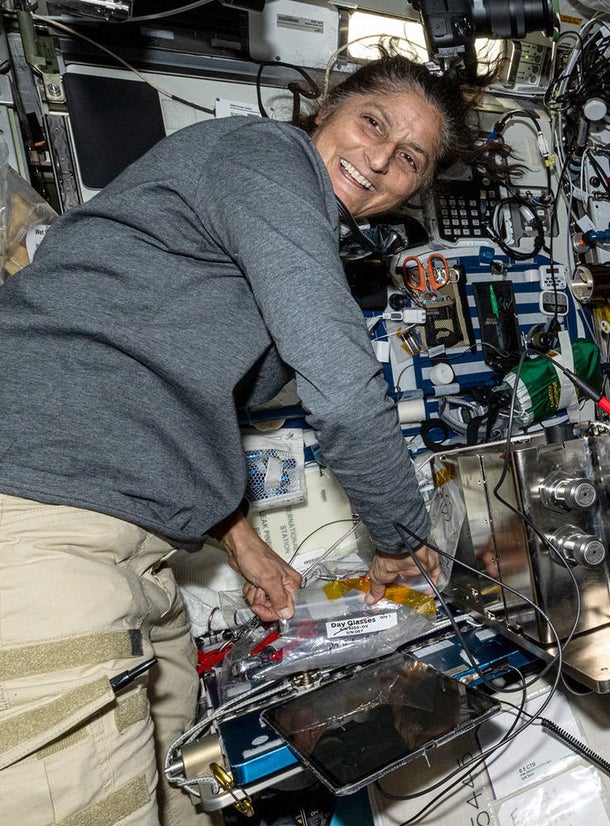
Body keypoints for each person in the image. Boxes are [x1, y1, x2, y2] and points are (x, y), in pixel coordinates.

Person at [0, 48, 503, 824]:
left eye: (410, 158)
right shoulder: (264, 154)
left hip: (136, 551)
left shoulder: (274, 232)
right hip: (39, 526)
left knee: (190, 795)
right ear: (326, 108)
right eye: (373, 124)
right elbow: (341, 379)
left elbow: (180, 404)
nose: (379, 159)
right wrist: (399, 538)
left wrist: (244, 546)